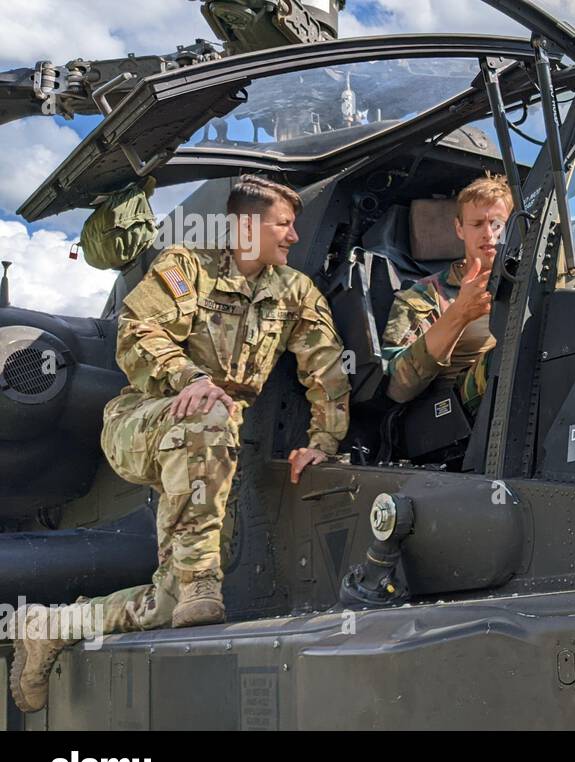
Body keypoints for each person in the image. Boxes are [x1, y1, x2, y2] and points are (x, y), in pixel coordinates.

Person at [9, 175, 351, 713]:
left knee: (169, 601)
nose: (292, 236)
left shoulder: (293, 291)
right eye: (282, 224)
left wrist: (324, 441)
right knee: (210, 416)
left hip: (207, 445)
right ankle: (200, 582)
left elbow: (325, 368)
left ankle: (52, 624)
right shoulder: (185, 267)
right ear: (244, 226)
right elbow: (137, 333)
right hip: (142, 419)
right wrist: (189, 379)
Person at [382, 174, 512, 415]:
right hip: (455, 414)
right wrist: (459, 314)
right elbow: (397, 386)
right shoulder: (426, 295)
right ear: (459, 229)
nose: (488, 234)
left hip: (526, 406)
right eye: (477, 224)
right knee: (510, 355)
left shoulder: (527, 285)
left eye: (497, 224)